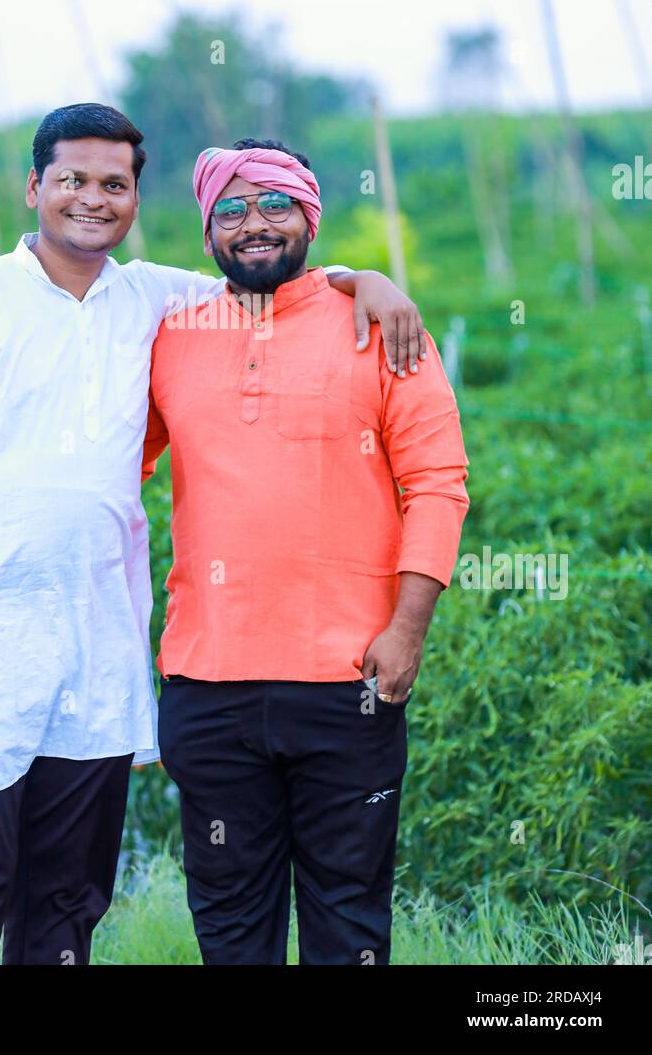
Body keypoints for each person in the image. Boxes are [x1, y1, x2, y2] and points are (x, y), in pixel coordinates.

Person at [0, 104, 429, 966]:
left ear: (134, 199)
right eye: (73, 181)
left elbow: (274, 273)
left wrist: (367, 278)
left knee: (66, 901)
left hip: (95, 654)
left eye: (113, 185)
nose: (93, 199)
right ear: (34, 187)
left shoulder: (160, 301)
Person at [142, 139, 470, 966]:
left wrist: (407, 633)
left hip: (349, 681)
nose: (255, 224)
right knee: (230, 923)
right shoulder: (170, 338)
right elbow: (107, 472)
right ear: (207, 228)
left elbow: (437, 483)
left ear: (311, 214)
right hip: (206, 685)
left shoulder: (382, 325)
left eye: (276, 204)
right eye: (231, 208)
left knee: (348, 915)